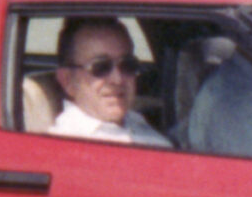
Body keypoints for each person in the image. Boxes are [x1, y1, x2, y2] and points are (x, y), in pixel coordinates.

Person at [48, 16, 173, 146]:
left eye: (127, 65)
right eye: (100, 67)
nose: (117, 79)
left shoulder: (139, 124)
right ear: (67, 81)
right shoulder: (64, 145)